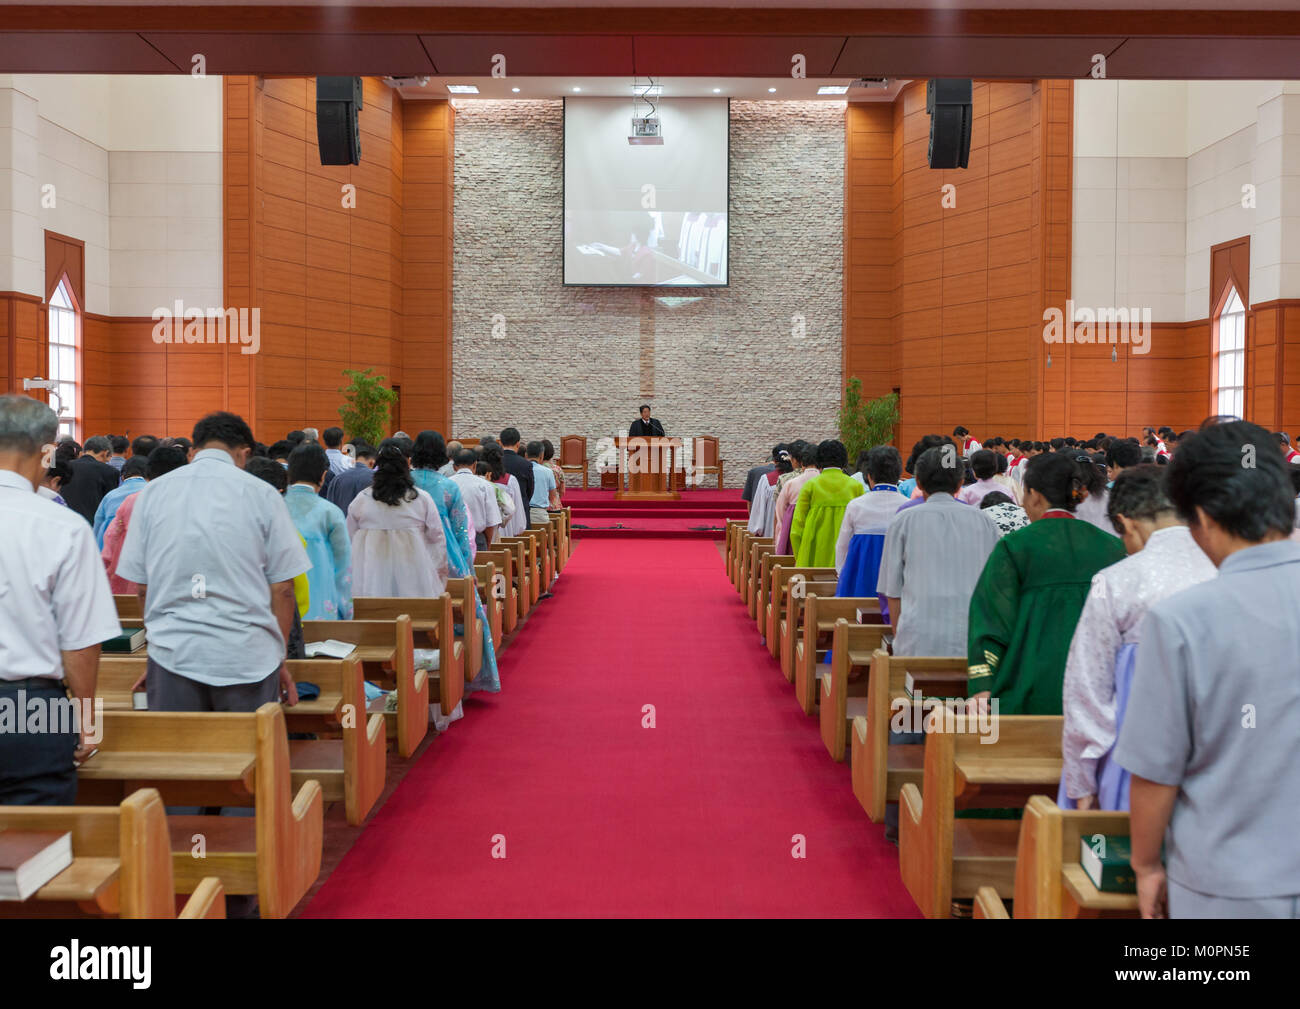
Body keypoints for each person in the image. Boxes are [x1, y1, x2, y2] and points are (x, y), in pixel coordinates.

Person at [1115, 422, 1300, 919]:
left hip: (1228, 882)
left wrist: (1146, 863)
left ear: (1201, 517)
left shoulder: (1183, 619)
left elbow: (1156, 771)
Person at [116, 411, 309, 713]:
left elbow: (142, 588)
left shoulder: (152, 494)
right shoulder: (263, 495)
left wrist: (159, 655)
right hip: (247, 658)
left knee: (179, 758)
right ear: (244, 453)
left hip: (173, 655)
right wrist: (278, 659)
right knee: (247, 755)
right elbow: (283, 589)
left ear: (194, 451)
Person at [1059, 465, 1215, 813]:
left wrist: (1081, 777)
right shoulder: (1223, 570)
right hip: (1221, 767)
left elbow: (1087, 687)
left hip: (1135, 764)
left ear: (1127, 523)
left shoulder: (1117, 581)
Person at [0, 395, 120, 805]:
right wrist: (86, 720)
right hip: (29, 710)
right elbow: (81, 641)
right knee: (37, 853)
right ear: (47, 451)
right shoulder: (62, 526)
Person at [966, 452, 1127, 715]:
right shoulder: (1112, 547)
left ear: (1034, 495)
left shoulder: (1014, 547)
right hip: (1100, 700)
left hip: (1031, 695)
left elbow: (991, 621)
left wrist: (982, 686)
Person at [877, 445, 1000, 657]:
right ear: (961, 483)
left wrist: (901, 640)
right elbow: (996, 588)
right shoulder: (985, 522)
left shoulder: (902, 521)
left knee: (916, 692)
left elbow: (892, 592)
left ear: (918, 482)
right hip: (972, 641)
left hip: (917, 641)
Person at [409, 431, 500, 694]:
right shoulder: (448, 486)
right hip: (444, 556)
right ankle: (463, 669)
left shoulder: (403, 483)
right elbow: (462, 532)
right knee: (458, 610)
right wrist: (467, 569)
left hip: (409, 555)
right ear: (441, 455)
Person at [347, 438, 450, 600]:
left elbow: (350, 542)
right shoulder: (422, 499)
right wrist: (437, 577)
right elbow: (437, 541)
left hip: (371, 584)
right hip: (414, 582)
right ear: (407, 463)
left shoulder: (362, 500)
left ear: (376, 465)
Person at [102, 445, 188, 594]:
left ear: (149, 472)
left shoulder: (134, 501)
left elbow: (111, 542)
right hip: (182, 585)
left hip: (135, 584)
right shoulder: (193, 502)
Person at [285, 442, 353, 620]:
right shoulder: (331, 513)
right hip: (321, 610)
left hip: (280, 613)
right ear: (323, 476)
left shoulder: (273, 507)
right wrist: (345, 612)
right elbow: (343, 568)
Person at [789, 439, 864, 567]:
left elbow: (796, 530)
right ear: (844, 461)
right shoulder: (856, 487)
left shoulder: (810, 486)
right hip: (847, 561)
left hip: (812, 559)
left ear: (818, 460)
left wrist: (801, 557)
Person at [61, 434, 121, 523]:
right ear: (105, 453)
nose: (108, 461)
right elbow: (110, 504)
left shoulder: (65, 467)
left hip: (65, 520)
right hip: (93, 525)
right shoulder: (110, 472)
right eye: (108, 457)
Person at [450, 447, 502, 550]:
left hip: (452, 540)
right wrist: (487, 543)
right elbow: (490, 522)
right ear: (475, 465)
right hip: (477, 538)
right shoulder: (485, 485)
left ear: (454, 467)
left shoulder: (447, 484)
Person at [92, 454, 148, 548]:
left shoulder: (110, 496)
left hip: (113, 549)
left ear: (122, 477)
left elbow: (98, 527)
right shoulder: (153, 493)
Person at [773, 441, 819, 554]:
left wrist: (778, 541)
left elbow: (780, 515)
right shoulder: (827, 482)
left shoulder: (787, 481)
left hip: (792, 536)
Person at [484, 442, 526, 537]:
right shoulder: (510, 480)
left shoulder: (478, 481)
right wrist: (518, 530)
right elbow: (517, 509)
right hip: (504, 529)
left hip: (483, 531)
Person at [746, 445, 789, 536]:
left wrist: (756, 529)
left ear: (774, 460)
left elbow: (759, 507)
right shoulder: (798, 479)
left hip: (770, 534)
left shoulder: (766, 479)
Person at [324, 441, 376, 515]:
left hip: (342, 524)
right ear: (372, 463)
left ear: (353, 460)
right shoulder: (377, 478)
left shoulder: (337, 479)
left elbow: (329, 507)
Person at [499, 427, 535, 526]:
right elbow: (530, 489)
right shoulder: (525, 464)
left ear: (501, 443)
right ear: (518, 444)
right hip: (521, 508)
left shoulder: (495, 462)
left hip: (499, 511)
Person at [526, 439, 559, 528]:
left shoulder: (520, 469)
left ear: (526, 455)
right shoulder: (548, 472)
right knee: (544, 540)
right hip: (539, 514)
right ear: (541, 456)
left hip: (521, 514)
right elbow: (552, 497)